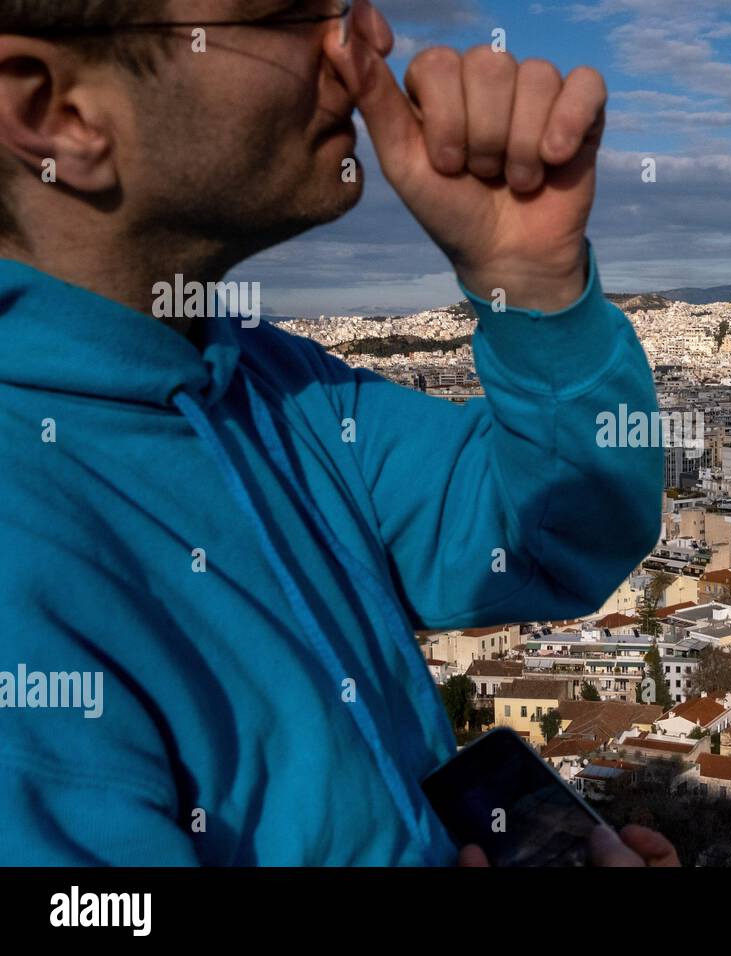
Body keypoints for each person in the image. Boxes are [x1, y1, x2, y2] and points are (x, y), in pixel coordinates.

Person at [0, 0, 676, 866]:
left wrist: (529, 283)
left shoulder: (269, 386)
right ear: (55, 112)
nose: (370, 40)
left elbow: (553, 536)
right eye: (293, 11)